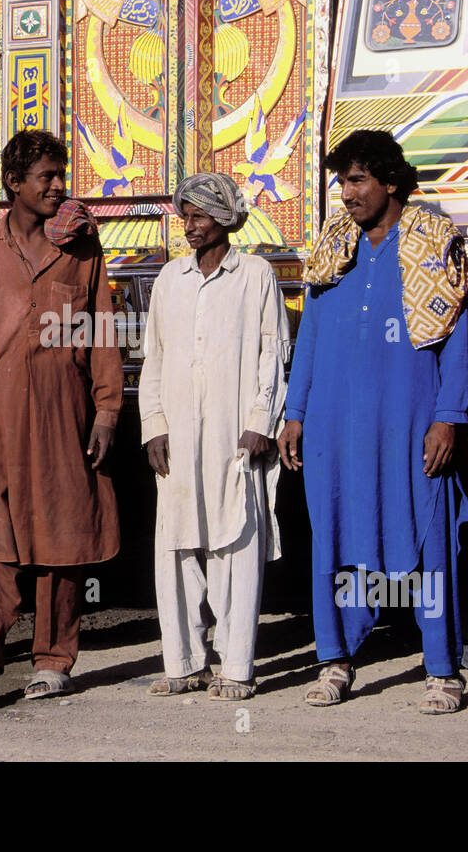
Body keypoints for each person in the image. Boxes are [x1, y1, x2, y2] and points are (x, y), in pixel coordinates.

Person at [278, 129, 468, 714]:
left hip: (409, 420)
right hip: (335, 425)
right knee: (334, 533)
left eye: (357, 180)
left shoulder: (436, 242)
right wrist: (296, 411)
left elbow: (458, 338)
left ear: (391, 181)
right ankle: (335, 660)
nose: (347, 194)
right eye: (341, 182)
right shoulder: (333, 247)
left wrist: (448, 416)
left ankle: (442, 668)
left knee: (425, 533)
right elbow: (309, 336)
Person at [0, 130, 121, 707]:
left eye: (60, 175)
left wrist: (106, 409)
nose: (57, 186)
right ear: (13, 184)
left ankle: (53, 659)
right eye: (45, 177)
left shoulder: (79, 248)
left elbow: (101, 329)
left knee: (62, 537)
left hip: (63, 415)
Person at [139, 173, 288, 701]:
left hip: (235, 431)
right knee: (176, 542)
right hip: (177, 431)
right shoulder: (170, 279)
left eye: (199, 216)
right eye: (186, 216)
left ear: (224, 219)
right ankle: (182, 663)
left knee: (234, 538)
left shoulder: (255, 275)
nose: (190, 226)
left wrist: (260, 420)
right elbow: (154, 357)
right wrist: (153, 425)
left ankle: (236, 665)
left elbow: (272, 351)